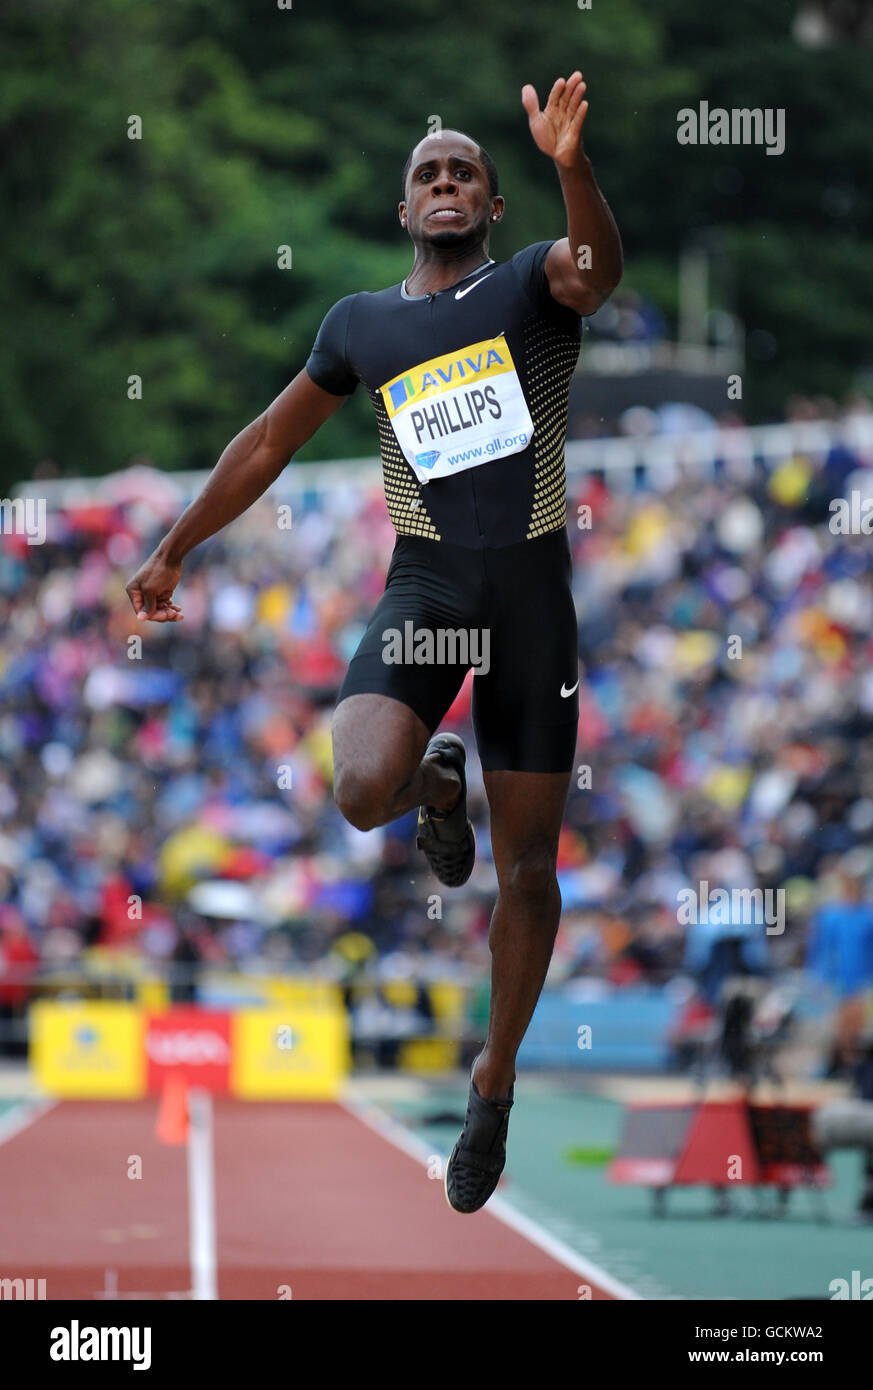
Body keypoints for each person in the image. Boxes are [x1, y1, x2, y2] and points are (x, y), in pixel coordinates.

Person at [127, 72, 623, 1213]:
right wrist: (173, 549)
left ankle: (493, 1080)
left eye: (464, 173)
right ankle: (434, 787)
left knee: (529, 875)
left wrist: (571, 164)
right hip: (429, 582)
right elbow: (264, 443)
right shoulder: (361, 323)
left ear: (492, 205)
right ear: (405, 210)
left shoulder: (533, 283)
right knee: (361, 787)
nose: (444, 183)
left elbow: (600, 275)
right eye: (426, 175)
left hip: (533, 600)